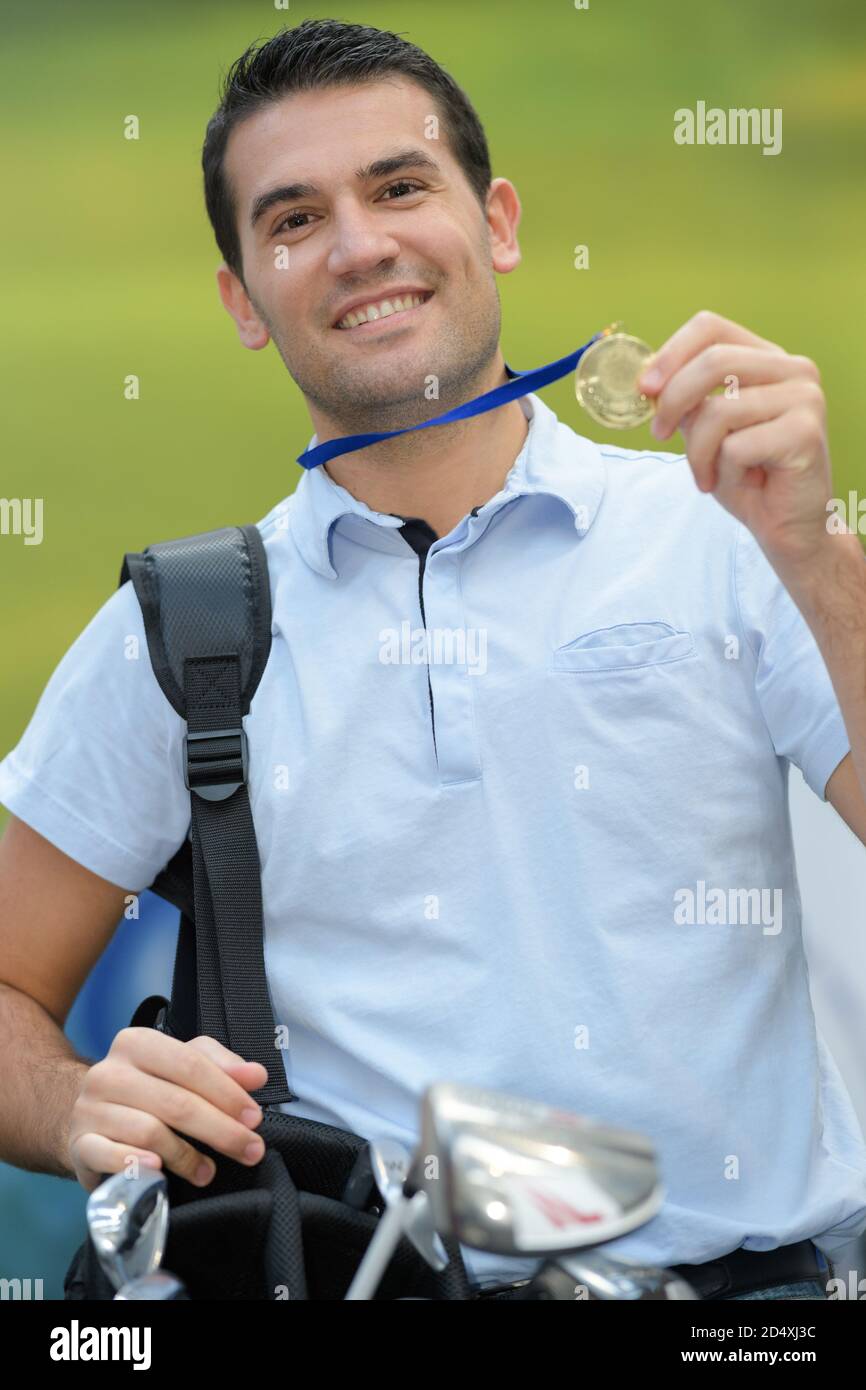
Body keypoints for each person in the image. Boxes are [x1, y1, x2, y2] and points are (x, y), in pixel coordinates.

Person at [1, 18, 865, 1301]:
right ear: (243, 298)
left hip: (748, 1310)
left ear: (499, 223)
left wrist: (817, 552)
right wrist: (77, 1104)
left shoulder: (729, 537)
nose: (359, 245)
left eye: (398, 187)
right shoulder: (179, 627)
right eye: (292, 220)